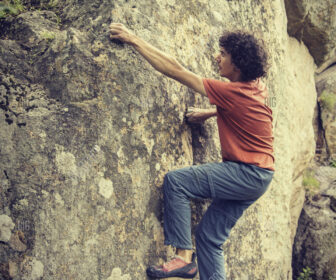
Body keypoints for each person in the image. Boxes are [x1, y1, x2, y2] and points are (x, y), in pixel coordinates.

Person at [109, 23, 275, 280]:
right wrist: (211, 112)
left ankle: (182, 258)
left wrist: (133, 39)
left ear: (238, 65)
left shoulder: (230, 92)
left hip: (247, 173)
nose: (216, 57)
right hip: (260, 177)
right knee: (209, 239)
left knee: (177, 182)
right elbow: (251, 111)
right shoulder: (256, 85)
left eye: (224, 54)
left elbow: (175, 70)